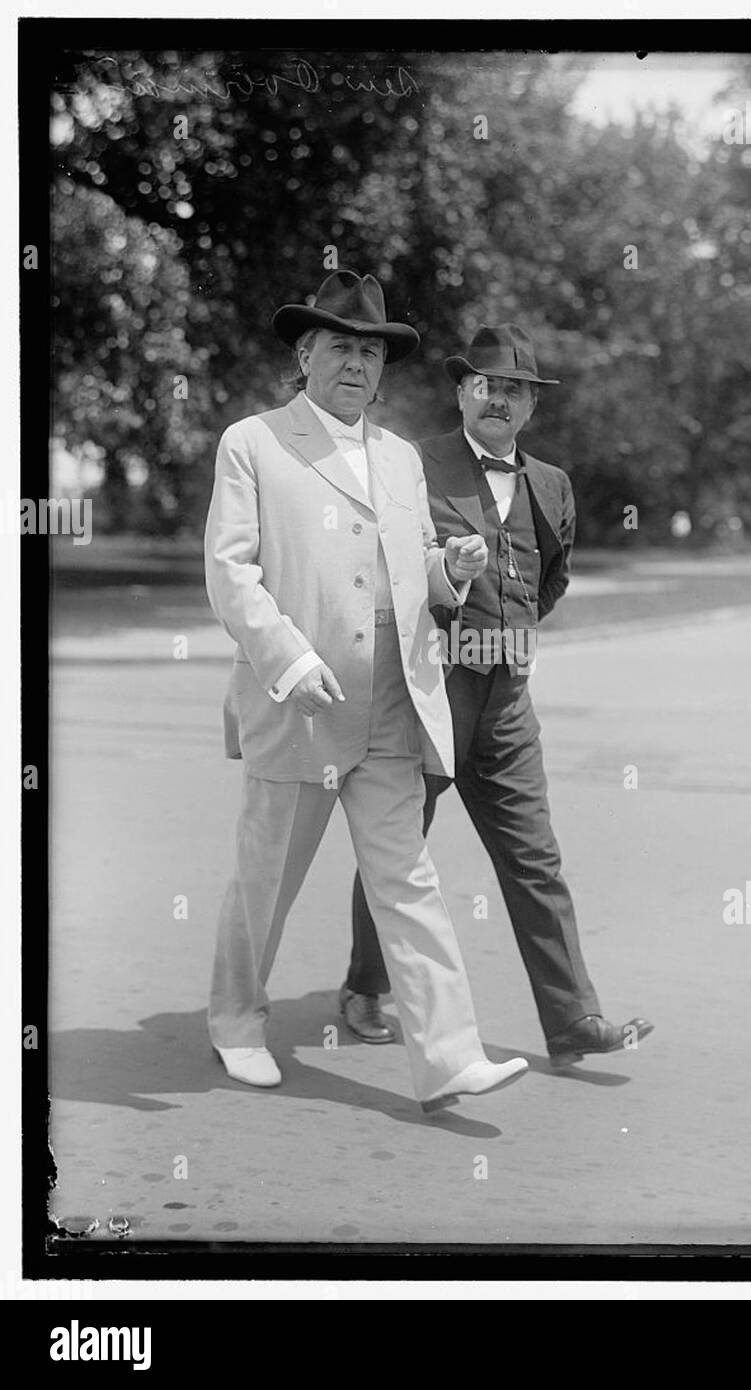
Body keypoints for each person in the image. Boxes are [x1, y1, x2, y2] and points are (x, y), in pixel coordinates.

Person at [204, 272, 527, 1111]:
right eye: (340, 345)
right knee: (265, 879)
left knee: (407, 876)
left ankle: (449, 1055)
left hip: (393, 694)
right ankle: (236, 1024)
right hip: (299, 699)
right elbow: (231, 573)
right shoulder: (254, 442)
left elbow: (412, 567)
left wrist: (448, 570)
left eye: (370, 351)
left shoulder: (400, 456)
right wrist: (287, 658)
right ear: (305, 353)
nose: (356, 363)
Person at [343, 324, 654, 1066]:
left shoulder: (550, 483)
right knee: (398, 846)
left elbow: (552, 580)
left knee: (534, 858)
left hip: (508, 697)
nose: (500, 400)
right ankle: (365, 988)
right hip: (431, 687)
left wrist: (504, 635)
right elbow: (382, 570)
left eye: (515, 390)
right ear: (461, 391)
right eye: (487, 385)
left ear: (530, 407)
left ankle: (574, 1019)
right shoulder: (412, 467)